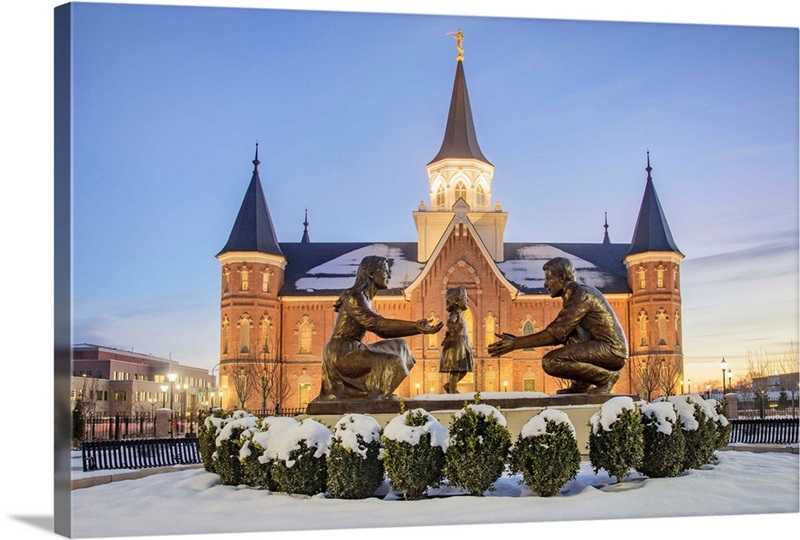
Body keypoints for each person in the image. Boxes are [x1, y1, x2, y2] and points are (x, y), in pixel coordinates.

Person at [487, 257, 628, 394]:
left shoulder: (581, 294)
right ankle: (582, 383)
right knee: (570, 337)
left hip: (612, 350)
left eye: (548, 279)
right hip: (602, 347)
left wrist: (516, 343)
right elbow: (562, 335)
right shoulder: (573, 295)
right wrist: (518, 341)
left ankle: (606, 378)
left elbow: (554, 333)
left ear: (562, 278)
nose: (545, 285)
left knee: (551, 361)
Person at [316, 256, 443, 401]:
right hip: (341, 352)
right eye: (384, 271)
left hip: (354, 348)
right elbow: (377, 324)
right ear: (371, 274)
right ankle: (378, 397)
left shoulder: (365, 299)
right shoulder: (354, 295)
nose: (388, 276)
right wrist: (415, 325)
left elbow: (382, 331)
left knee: (401, 346)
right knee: (391, 360)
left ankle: (377, 395)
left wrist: (418, 329)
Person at [439, 287, 474, 394]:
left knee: (464, 369)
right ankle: (452, 392)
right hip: (457, 345)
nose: (467, 300)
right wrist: (453, 325)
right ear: (456, 301)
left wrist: (447, 336)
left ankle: (449, 385)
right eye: (464, 298)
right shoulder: (455, 314)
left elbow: (449, 331)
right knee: (455, 370)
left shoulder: (460, 314)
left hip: (463, 344)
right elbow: (449, 322)